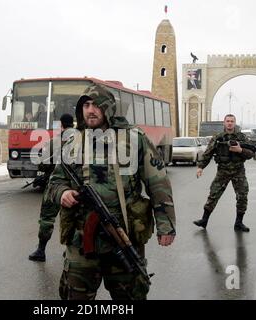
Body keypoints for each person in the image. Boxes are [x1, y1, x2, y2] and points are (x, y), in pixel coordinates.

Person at [48, 84, 176, 300]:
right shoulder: (73, 141)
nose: (90, 110)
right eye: (86, 105)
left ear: (107, 108)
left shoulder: (134, 139)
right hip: (81, 240)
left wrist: (166, 225)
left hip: (122, 235)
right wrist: (62, 193)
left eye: (96, 105)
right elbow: (56, 180)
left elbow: (158, 182)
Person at [194, 114, 255, 232]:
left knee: (242, 196)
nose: (230, 123)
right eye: (228, 121)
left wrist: (240, 150)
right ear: (224, 123)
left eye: (232, 121)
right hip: (223, 171)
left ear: (235, 123)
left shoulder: (241, 137)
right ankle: (204, 220)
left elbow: (251, 153)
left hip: (238, 171)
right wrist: (201, 167)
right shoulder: (218, 138)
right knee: (213, 194)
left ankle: (239, 223)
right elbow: (208, 153)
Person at [28, 113, 74, 262]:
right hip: (74, 188)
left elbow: (43, 163)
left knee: (47, 219)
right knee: (72, 220)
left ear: (61, 125)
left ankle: (41, 250)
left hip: (54, 186)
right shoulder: (81, 141)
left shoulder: (54, 142)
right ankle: (70, 251)